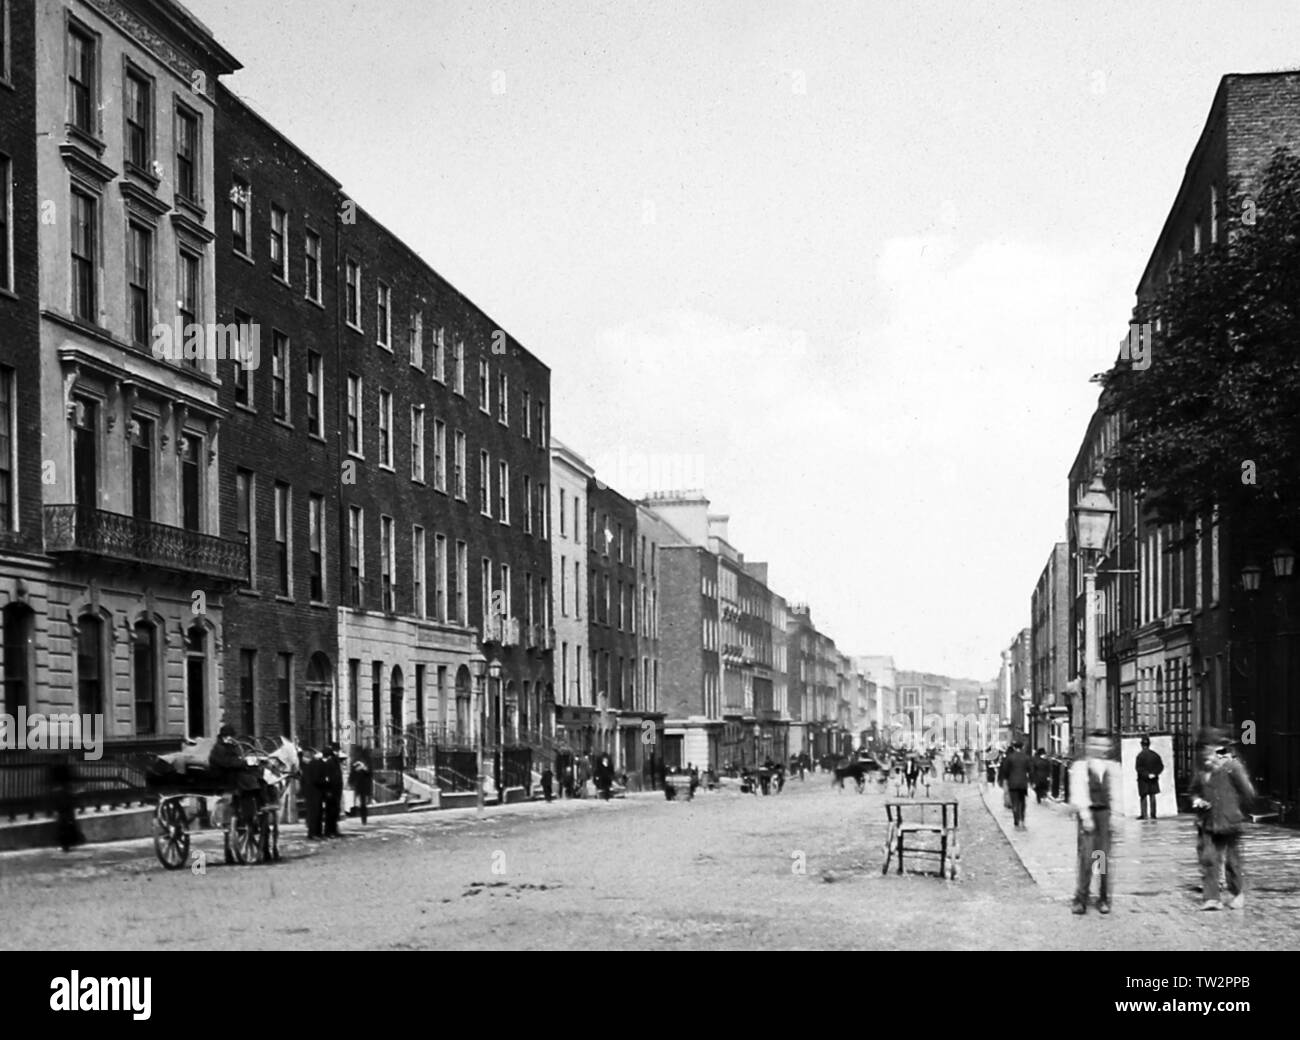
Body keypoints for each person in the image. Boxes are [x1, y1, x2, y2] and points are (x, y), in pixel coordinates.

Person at [1190, 727, 1254, 911]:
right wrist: (1197, 801)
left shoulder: (1232, 767)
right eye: (1204, 748)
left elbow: (1248, 791)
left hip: (1231, 821)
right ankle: (1212, 898)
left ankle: (1237, 893)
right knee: (1209, 859)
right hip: (1209, 822)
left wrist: (1236, 807)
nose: (1205, 752)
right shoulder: (1202, 770)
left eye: (1208, 748)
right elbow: (1194, 791)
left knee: (1232, 861)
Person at [1069, 730, 1118, 915]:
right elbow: (1078, 792)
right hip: (1089, 813)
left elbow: (1116, 794)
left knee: (1102, 858)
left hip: (1105, 815)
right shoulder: (1081, 767)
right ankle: (1080, 898)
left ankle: (1103, 898)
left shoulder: (1112, 767)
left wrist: (1116, 817)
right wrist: (1085, 815)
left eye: (1103, 745)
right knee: (1086, 857)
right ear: (1089, 746)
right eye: (1095, 744)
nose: (1099, 748)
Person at [999, 741, 1032, 828]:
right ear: (1022, 747)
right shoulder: (1026, 757)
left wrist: (1006, 778)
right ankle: (1022, 818)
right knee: (1022, 801)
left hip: (1013, 783)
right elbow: (1030, 769)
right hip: (1023, 783)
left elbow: (1005, 770)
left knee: (1015, 802)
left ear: (1014, 747)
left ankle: (1016, 819)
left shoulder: (1010, 758)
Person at [1135, 736, 1164, 821]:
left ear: (1142, 745)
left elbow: (1138, 768)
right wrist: (1154, 774)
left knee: (1143, 796)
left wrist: (1147, 775)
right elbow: (1161, 766)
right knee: (1152, 796)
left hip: (1143, 780)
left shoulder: (1140, 756)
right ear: (1149, 744)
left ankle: (1144, 815)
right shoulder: (1155, 755)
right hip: (1153, 779)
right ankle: (1153, 814)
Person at [301, 748, 325, 839]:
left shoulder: (307, 766)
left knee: (313, 813)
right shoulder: (315, 765)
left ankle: (314, 833)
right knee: (314, 813)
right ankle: (314, 833)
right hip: (315, 792)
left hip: (310, 793)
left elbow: (303, 780)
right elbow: (316, 779)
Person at [321, 742, 344, 837]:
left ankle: (333, 830)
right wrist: (328, 790)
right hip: (332, 791)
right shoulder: (331, 762)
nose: (337, 752)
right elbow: (328, 777)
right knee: (330, 811)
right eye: (336, 751)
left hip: (336, 790)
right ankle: (329, 831)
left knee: (335, 811)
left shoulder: (335, 761)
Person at [348, 754, 373, 824]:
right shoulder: (355, 766)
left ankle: (363, 818)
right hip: (357, 787)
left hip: (364, 788)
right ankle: (356, 814)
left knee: (363, 803)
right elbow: (352, 775)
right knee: (356, 802)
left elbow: (369, 773)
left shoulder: (365, 767)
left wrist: (363, 767)